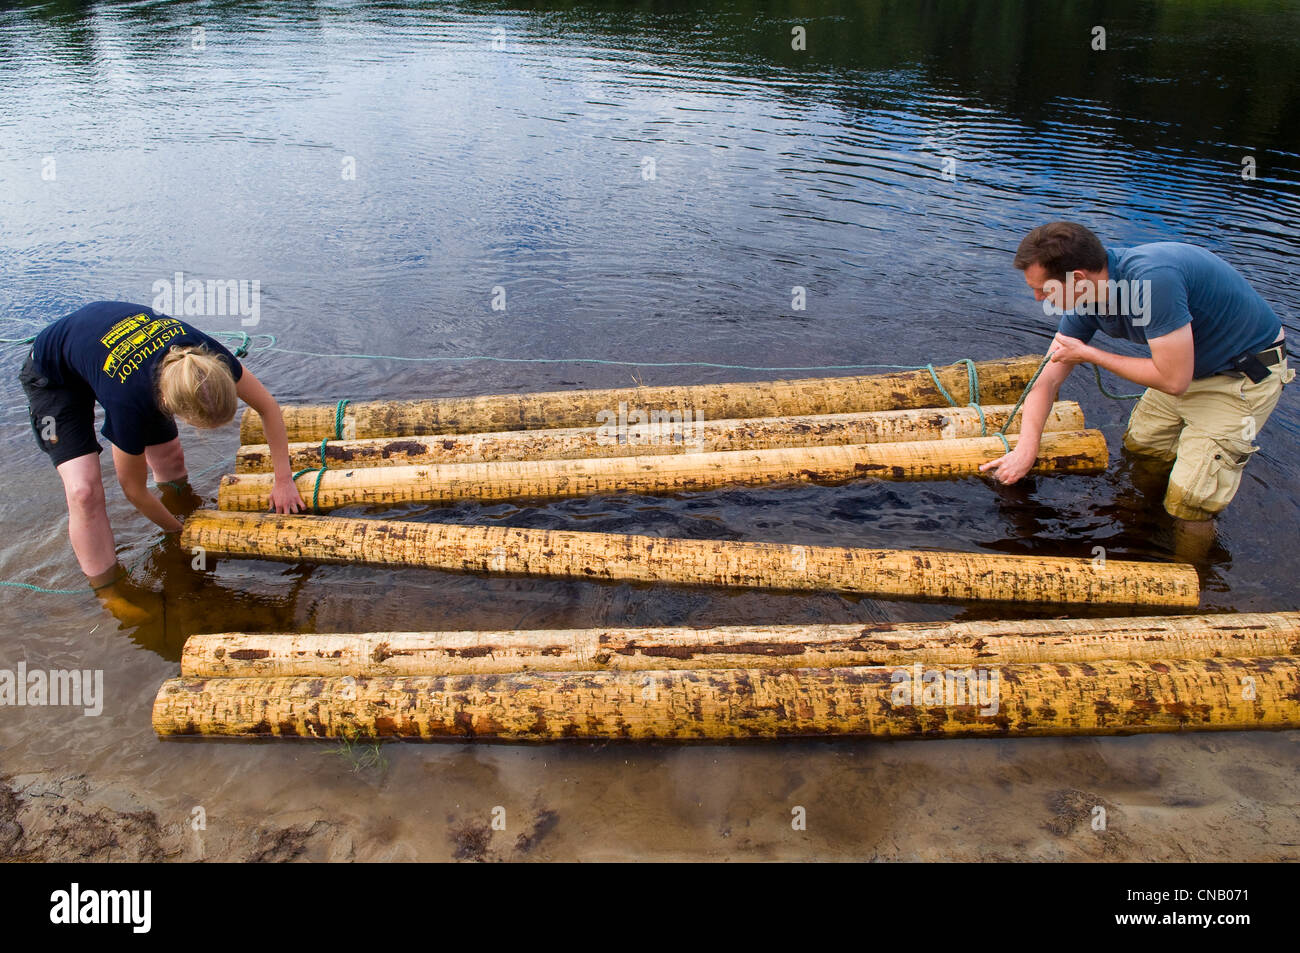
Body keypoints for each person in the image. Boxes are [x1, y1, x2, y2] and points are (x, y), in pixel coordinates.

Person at [981, 222, 1291, 532]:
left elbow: (1173, 382)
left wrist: (1089, 354)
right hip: (1185, 368)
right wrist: (1027, 447)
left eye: (1042, 288)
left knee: (1191, 500)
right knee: (1142, 450)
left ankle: (1191, 571)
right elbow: (1046, 380)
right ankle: (1142, 528)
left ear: (1077, 278)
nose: (1037, 298)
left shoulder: (1152, 282)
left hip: (1239, 375)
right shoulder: (1083, 300)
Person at [19, 301, 305, 593]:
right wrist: (180, 534)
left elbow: (268, 407)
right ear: (168, 404)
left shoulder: (206, 357)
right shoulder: (129, 402)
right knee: (84, 492)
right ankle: (109, 591)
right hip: (54, 376)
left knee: (170, 459)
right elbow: (133, 490)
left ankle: (181, 504)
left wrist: (283, 479)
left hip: (106, 351)